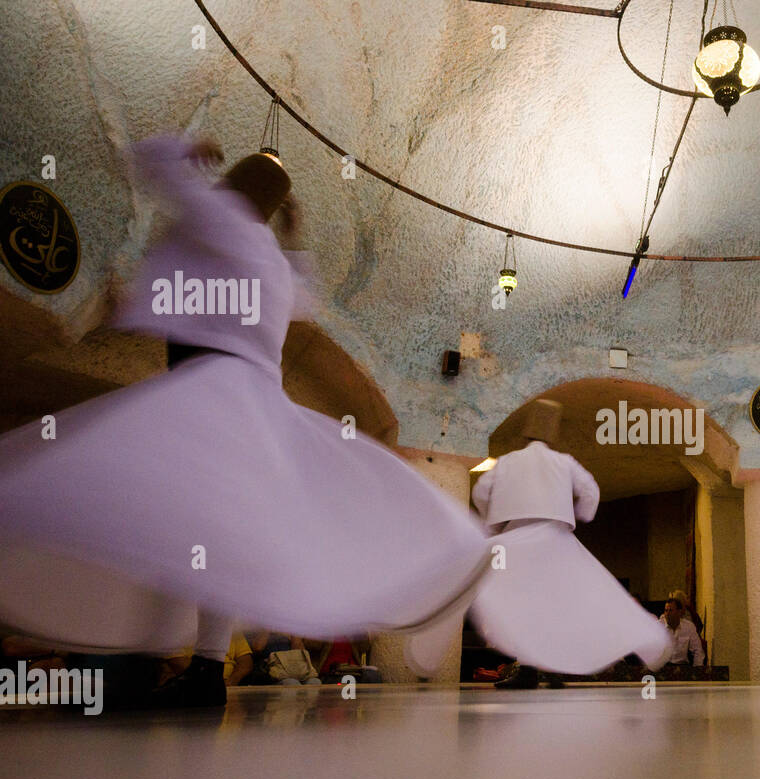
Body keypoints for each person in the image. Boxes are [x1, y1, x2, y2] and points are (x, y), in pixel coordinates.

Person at [0, 132, 492, 708]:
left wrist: (189, 149)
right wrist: (294, 236)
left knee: (133, 497)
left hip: (209, 388)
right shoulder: (274, 265)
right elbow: (305, 295)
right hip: (255, 401)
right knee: (213, 532)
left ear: (239, 187)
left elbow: (151, 161)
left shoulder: (225, 218)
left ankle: (141, 663)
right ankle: (203, 670)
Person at [407, 399, 671, 686]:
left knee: (499, 595)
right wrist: (580, 516)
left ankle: (441, 659)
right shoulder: (564, 462)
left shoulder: (508, 461)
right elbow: (590, 492)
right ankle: (560, 667)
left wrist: (492, 524)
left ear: (527, 434)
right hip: (557, 541)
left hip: (516, 539)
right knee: (572, 601)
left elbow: (482, 491)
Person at [660, 598, 705, 670]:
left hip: (682, 667)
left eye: (671, 610)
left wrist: (697, 671)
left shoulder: (689, 627)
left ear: (679, 612)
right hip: (662, 668)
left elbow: (698, 651)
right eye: (666, 610)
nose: (667, 614)